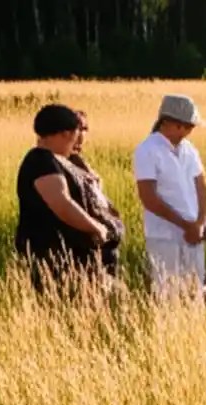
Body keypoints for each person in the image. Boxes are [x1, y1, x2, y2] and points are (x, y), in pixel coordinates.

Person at [15, 104, 109, 290]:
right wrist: (95, 227)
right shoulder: (41, 161)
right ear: (66, 133)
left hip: (73, 256)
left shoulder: (59, 160)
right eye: (77, 132)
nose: (78, 140)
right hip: (53, 256)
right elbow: (62, 203)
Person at [133, 94, 206, 298]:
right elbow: (148, 197)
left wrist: (199, 224)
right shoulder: (147, 150)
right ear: (170, 123)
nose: (190, 131)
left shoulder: (189, 150)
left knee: (195, 294)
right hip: (164, 236)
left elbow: (201, 187)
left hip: (194, 235)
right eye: (187, 126)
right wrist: (186, 225)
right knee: (168, 295)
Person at [69, 109, 125, 279]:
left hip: (105, 246)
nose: (81, 136)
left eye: (85, 129)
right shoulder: (54, 167)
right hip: (83, 248)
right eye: (76, 129)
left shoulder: (81, 163)